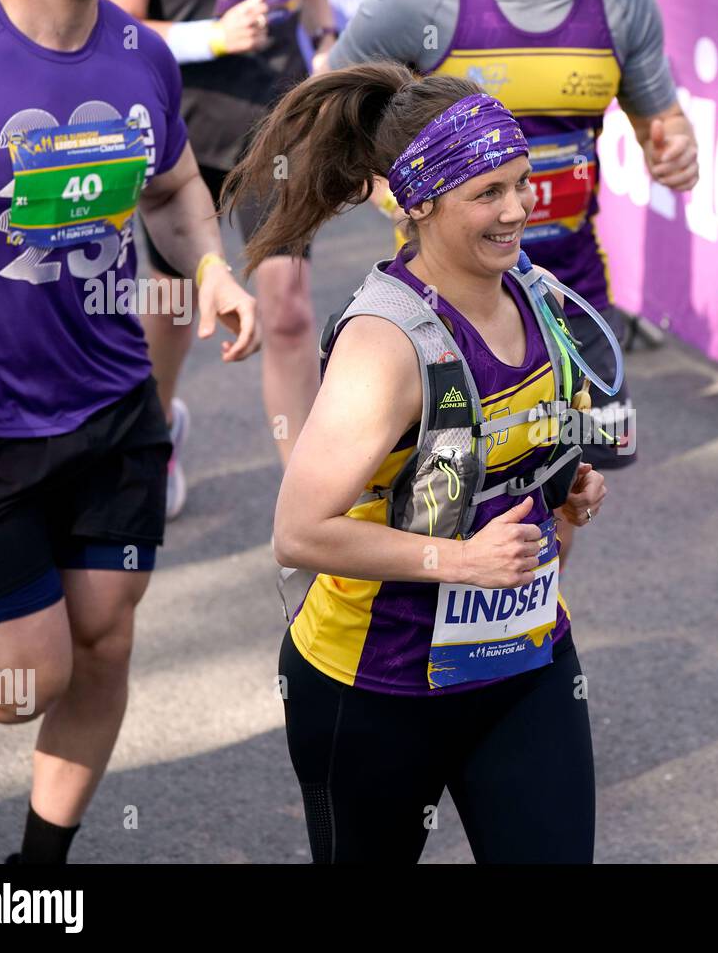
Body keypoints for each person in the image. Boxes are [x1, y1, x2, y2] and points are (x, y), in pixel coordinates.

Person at [226, 59, 608, 862]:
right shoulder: (385, 343)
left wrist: (561, 489)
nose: (518, 210)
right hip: (373, 687)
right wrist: (460, 559)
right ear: (421, 201)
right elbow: (298, 532)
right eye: (488, 194)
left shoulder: (536, 295)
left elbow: (507, 461)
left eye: (521, 181)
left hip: (524, 659)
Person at [0, 0, 259, 863]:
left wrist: (213, 270)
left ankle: (39, 872)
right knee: (22, 683)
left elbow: (174, 185)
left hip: (114, 406)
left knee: (104, 636)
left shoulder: (141, 54)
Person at [327, 0, 698, 562]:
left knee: (556, 498)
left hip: (566, 300)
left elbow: (661, 123)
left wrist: (676, 148)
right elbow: (328, 112)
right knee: (437, 508)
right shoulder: (420, 7)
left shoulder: (621, 9)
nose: (514, 208)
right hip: (446, 311)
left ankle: (524, 640)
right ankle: (413, 637)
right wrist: (396, 191)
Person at [111, 0, 339, 518]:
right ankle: (159, 432)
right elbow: (116, 26)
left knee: (289, 309)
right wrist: (211, 37)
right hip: (185, 126)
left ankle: (308, 497)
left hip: (281, 123)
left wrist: (326, 42)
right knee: (174, 303)